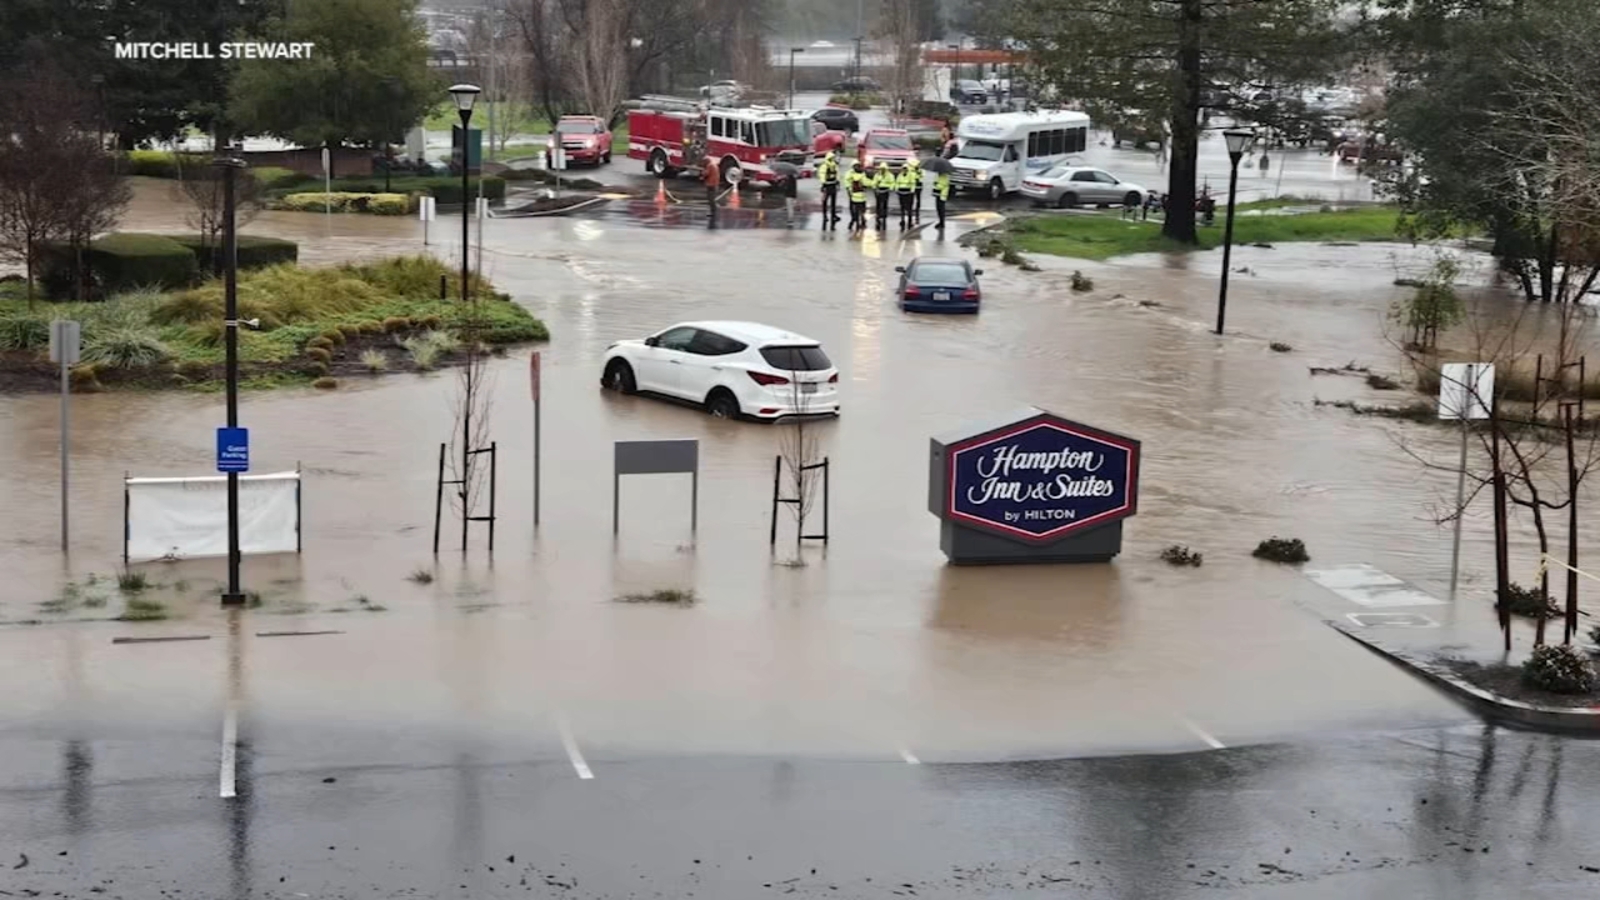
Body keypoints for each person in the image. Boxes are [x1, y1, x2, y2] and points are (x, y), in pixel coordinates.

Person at [817, 151, 841, 228]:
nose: (833, 159)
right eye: (832, 158)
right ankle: (825, 216)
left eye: (833, 158)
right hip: (827, 186)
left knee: (833, 202)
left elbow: (837, 174)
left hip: (833, 185)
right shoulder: (824, 165)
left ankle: (833, 215)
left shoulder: (834, 165)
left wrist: (838, 182)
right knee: (825, 201)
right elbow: (822, 174)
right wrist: (823, 183)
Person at [845, 160, 868, 231]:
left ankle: (862, 220)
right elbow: (847, 182)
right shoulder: (849, 173)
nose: (857, 167)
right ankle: (854, 220)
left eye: (858, 165)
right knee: (853, 209)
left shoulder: (862, 173)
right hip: (853, 194)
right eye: (856, 166)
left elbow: (865, 182)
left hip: (862, 195)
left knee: (862, 209)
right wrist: (849, 190)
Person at [872, 162, 894, 231]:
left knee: (885, 203)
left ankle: (884, 214)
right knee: (878, 203)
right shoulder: (877, 175)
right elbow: (874, 182)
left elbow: (892, 182)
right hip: (879, 190)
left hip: (886, 190)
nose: (883, 170)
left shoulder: (890, 175)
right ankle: (878, 215)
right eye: (882, 168)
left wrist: (890, 189)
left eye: (884, 168)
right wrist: (875, 188)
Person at [895, 163, 916, 228]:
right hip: (901, 192)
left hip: (908, 193)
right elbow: (897, 183)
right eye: (903, 169)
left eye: (906, 169)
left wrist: (912, 191)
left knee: (909, 208)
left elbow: (913, 183)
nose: (904, 170)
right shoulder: (900, 175)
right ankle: (902, 220)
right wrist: (896, 189)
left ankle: (910, 221)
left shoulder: (911, 175)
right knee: (902, 207)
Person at [701, 154, 721, 226]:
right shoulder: (714, 165)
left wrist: (702, 173)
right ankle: (713, 212)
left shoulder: (709, 166)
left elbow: (706, 174)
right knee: (712, 199)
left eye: (704, 162)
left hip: (711, 185)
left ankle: (713, 212)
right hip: (715, 184)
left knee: (711, 199)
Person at [932, 166, 951, 231]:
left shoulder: (944, 176)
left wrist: (936, 185)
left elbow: (942, 185)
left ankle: (942, 222)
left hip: (942, 195)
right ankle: (940, 222)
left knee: (941, 209)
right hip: (938, 194)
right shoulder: (939, 176)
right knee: (938, 209)